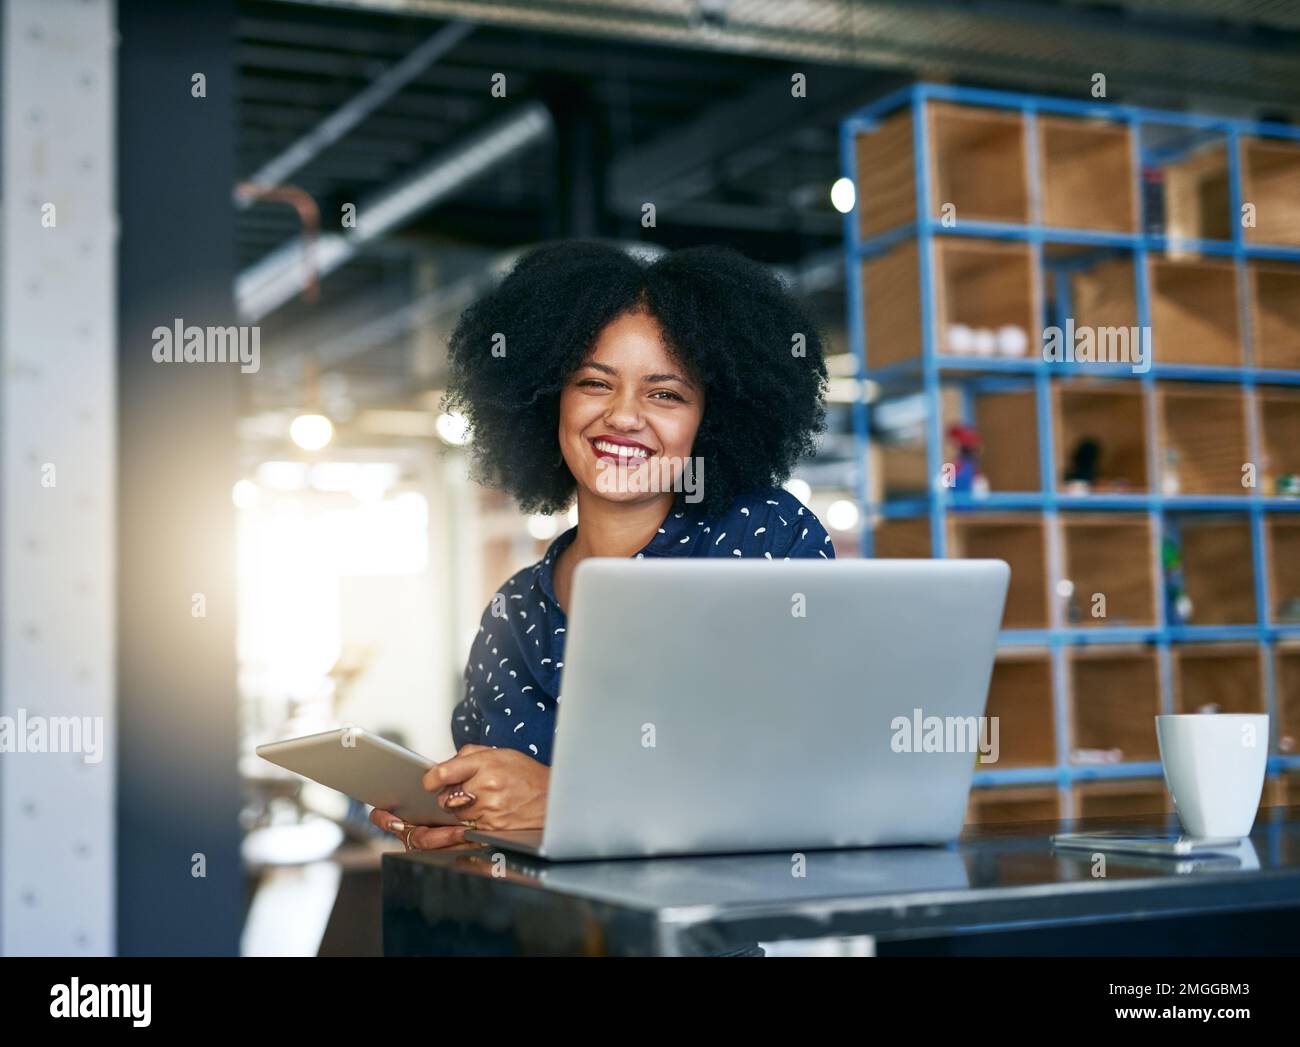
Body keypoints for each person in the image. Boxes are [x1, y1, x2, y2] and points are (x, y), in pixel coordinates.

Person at [370, 240, 833, 855]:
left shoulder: (763, 539)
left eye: (665, 393)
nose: (623, 416)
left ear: (710, 422)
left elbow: (805, 776)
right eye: (594, 382)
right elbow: (511, 828)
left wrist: (563, 796)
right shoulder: (514, 614)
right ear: (547, 400)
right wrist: (459, 821)